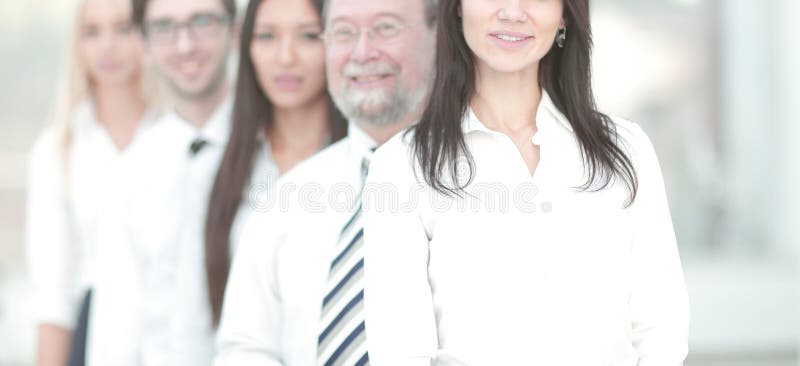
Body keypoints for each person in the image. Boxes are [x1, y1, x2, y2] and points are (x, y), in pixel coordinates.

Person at [361, 0, 690, 364]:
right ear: (457, 8)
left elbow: (661, 328)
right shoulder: (402, 165)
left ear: (565, 13)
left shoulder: (626, 151)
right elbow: (400, 351)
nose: (513, 11)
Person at [214, 0, 437, 364]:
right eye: (343, 32)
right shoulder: (284, 200)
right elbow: (246, 348)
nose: (362, 52)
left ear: (438, 34)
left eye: (386, 28)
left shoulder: (482, 184)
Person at [87, 0, 236, 364]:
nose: (185, 45)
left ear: (234, 31)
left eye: (202, 21)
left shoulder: (276, 156)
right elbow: (116, 330)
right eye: (165, 28)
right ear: (144, 45)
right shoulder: (130, 173)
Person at [25, 0, 157, 365]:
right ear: (77, 45)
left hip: (170, 324)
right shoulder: (58, 149)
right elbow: (53, 290)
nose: (108, 46)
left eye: (123, 28)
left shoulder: (176, 137)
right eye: (92, 32)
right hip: (94, 329)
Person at [203, 0, 347, 332]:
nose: (286, 58)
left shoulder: (371, 164)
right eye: (267, 36)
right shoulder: (219, 165)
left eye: (308, 36)